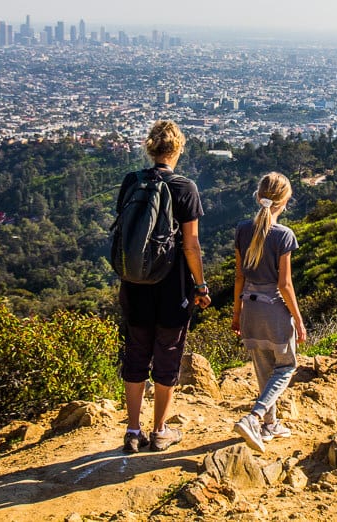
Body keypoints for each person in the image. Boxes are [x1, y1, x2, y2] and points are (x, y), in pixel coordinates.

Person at [117, 120, 211, 453]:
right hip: (173, 288)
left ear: (150, 148)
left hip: (135, 283)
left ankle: (132, 429)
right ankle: (159, 430)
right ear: (177, 149)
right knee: (167, 354)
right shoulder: (185, 187)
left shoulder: (132, 182)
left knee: (136, 353)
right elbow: (191, 244)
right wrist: (200, 286)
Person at [231, 172, 306, 453]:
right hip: (273, 309)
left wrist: (236, 314)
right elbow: (285, 284)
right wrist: (298, 320)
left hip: (249, 308)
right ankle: (255, 417)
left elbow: (238, 276)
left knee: (264, 370)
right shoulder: (284, 235)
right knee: (286, 366)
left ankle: (270, 424)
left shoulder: (242, 229)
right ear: (284, 201)